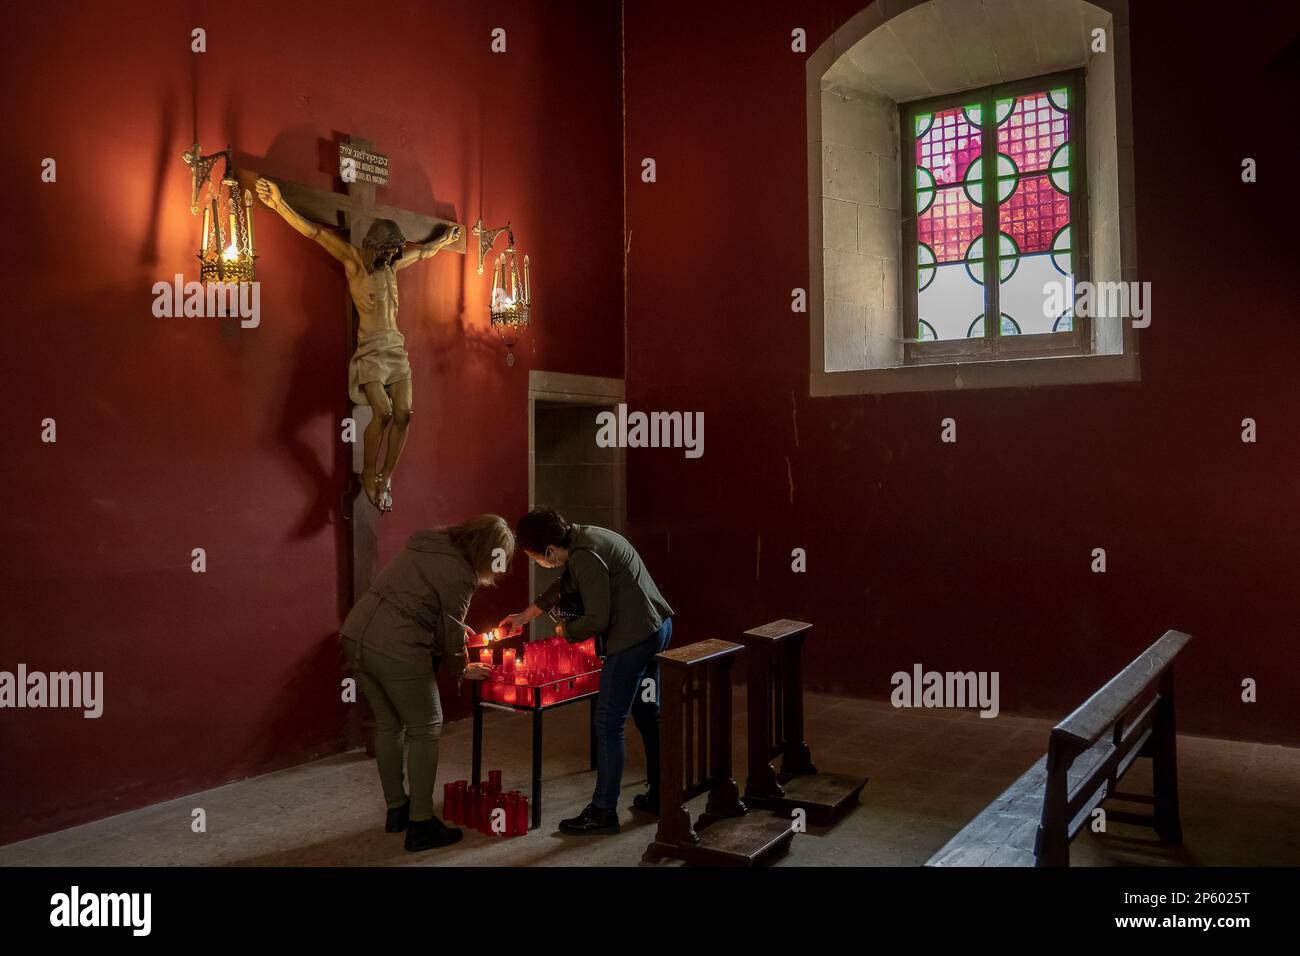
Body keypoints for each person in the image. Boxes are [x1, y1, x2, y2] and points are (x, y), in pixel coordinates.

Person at [256, 177, 461, 512]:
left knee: (405, 415)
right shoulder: (353, 261)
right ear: (377, 245)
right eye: (390, 249)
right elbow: (315, 233)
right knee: (381, 413)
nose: (395, 254)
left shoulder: (392, 266)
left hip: (395, 348)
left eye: (396, 250)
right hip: (371, 349)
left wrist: (444, 237)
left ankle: (386, 476)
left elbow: (423, 253)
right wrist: (278, 203)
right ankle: (368, 475)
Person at [341, 515, 513, 851]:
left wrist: (454, 632)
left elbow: (421, 604)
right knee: (426, 727)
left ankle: (397, 809)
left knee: (389, 724)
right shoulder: (461, 573)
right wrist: (462, 667)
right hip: (397, 646)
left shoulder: (426, 544)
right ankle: (421, 824)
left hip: (357, 633)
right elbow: (449, 628)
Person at [500, 509, 673, 835]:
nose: (538, 562)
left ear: (549, 550)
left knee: (608, 723)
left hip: (633, 639)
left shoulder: (586, 555)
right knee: (649, 713)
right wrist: (525, 615)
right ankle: (663, 793)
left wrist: (566, 632)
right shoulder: (584, 538)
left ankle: (603, 811)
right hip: (656, 629)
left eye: (534, 556)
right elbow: (564, 586)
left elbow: (597, 619)